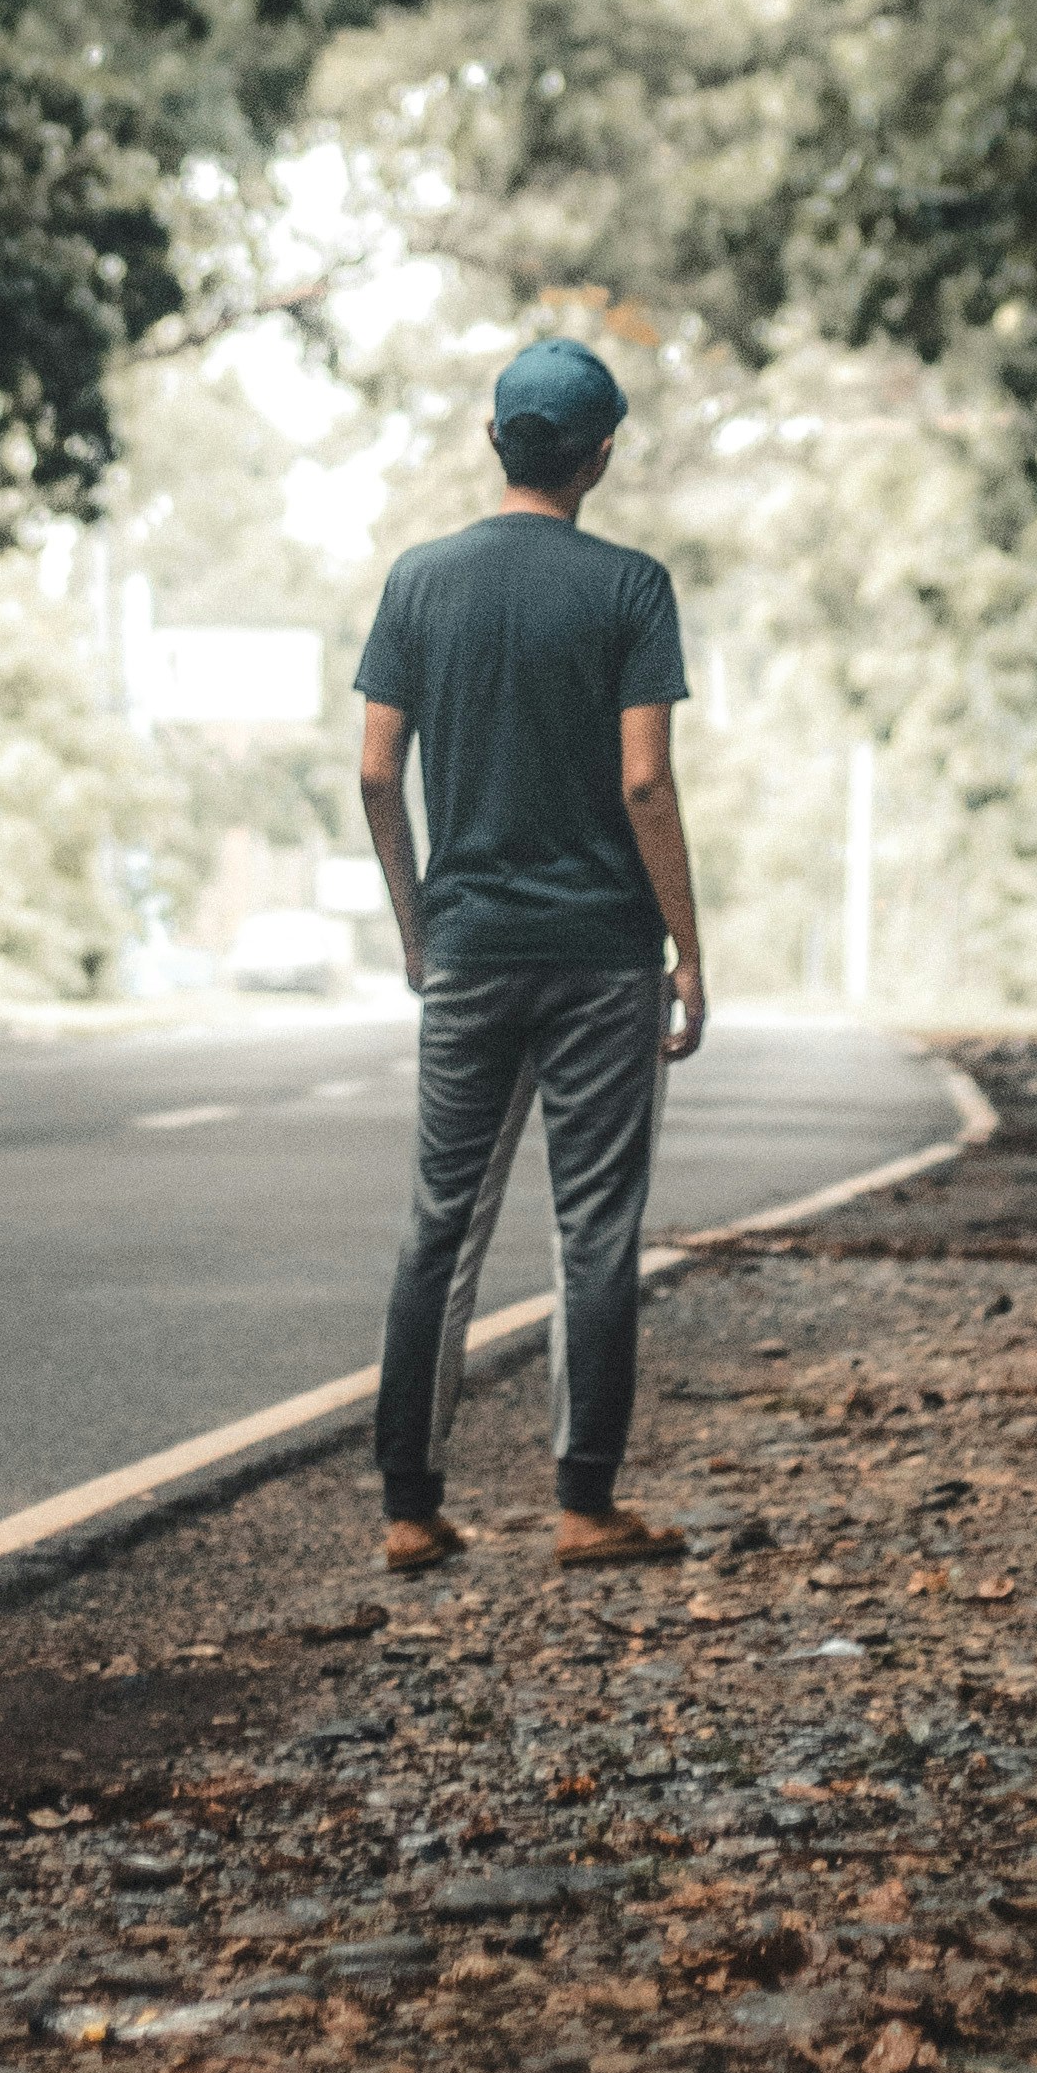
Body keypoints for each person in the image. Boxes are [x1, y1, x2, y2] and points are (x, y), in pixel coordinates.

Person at [352, 332, 707, 1575]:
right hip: (604, 959)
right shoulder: (630, 588)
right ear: (598, 456)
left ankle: (408, 1508)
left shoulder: (418, 582)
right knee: (594, 1228)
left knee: (439, 1224)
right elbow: (647, 784)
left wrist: (417, 926)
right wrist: (688, 952)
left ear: (497, 442)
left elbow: (375, 774)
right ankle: (582, 1505)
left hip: (470, 952)